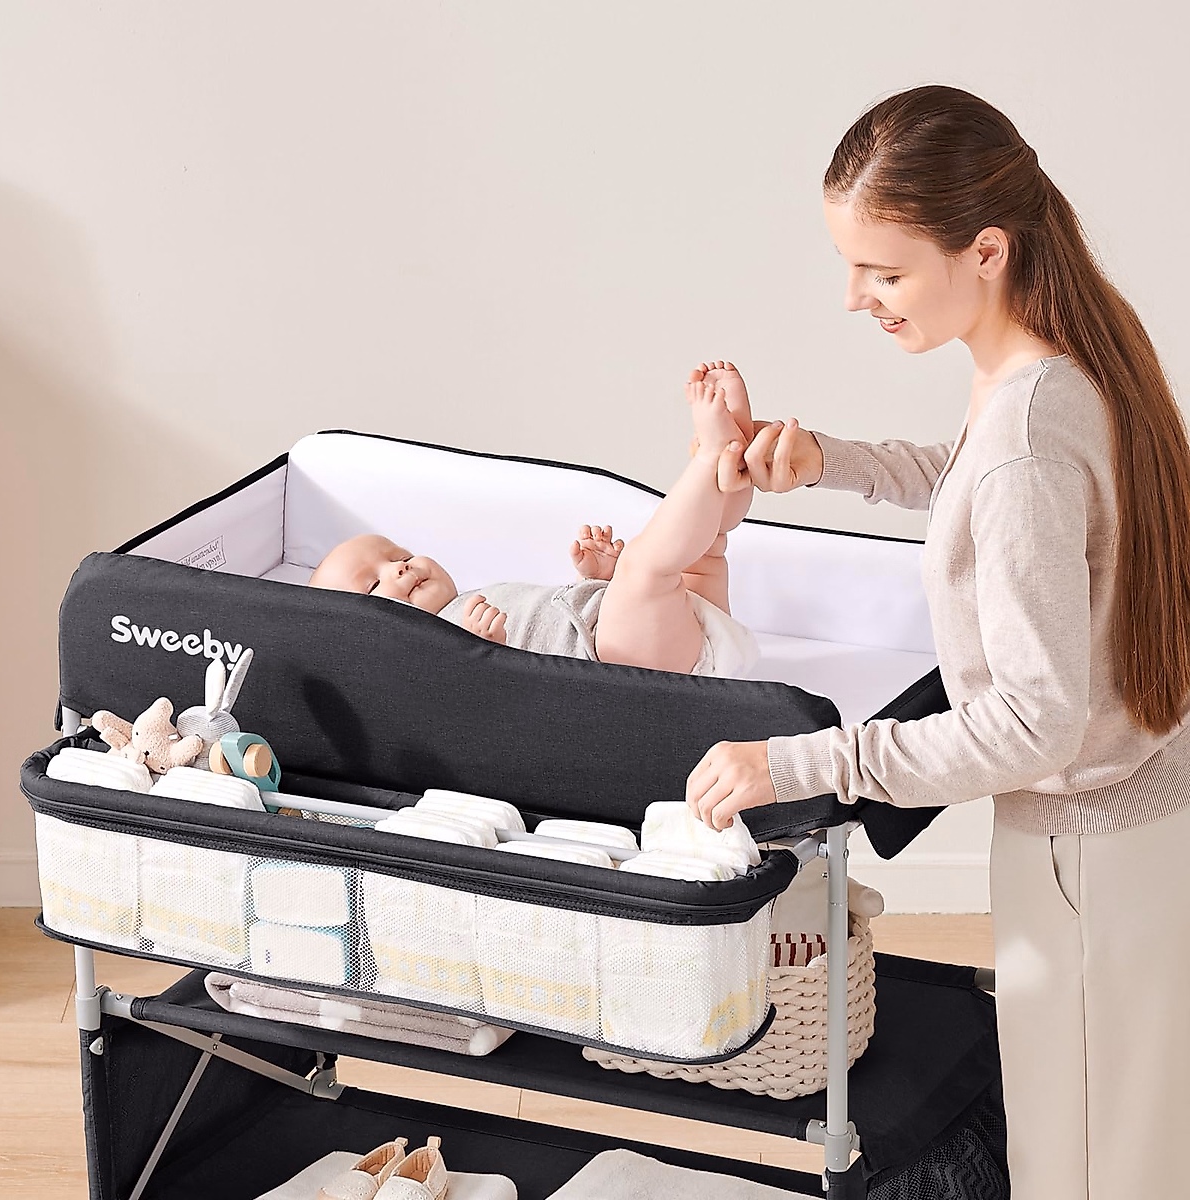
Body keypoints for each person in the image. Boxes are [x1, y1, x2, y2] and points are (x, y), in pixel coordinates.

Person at [684, 84, 1190, 1199]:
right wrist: (834, 461)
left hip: (1082, 857)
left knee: (1083, 1167)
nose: (855, 297)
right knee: (1135, 1144)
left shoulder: (1024, 442)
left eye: (884, 272)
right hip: (1134, 830)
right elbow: (983, 485)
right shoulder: (1061, 366)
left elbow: (1032, 722)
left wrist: (799, 764)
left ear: (987, 251)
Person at [308, 368, 760, 677]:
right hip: (620, 665)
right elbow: (502, 709)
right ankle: (711, 457)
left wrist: (603, 581)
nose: (399, 568)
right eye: (373, 584)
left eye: (399, 556)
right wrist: (477, 657)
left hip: (663, 634)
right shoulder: (432, 658)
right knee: (647, 565)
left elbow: (554, 626)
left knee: (706, 549)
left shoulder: (472, 599)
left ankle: (734, 453)